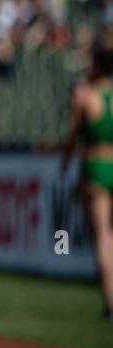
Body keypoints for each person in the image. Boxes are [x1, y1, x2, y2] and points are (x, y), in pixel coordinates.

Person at [61, 42, 113, 320]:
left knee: (103, 236)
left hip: (96, 165)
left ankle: (109, 301)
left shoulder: (86, 97)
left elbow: (72, 138)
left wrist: (64, 163)